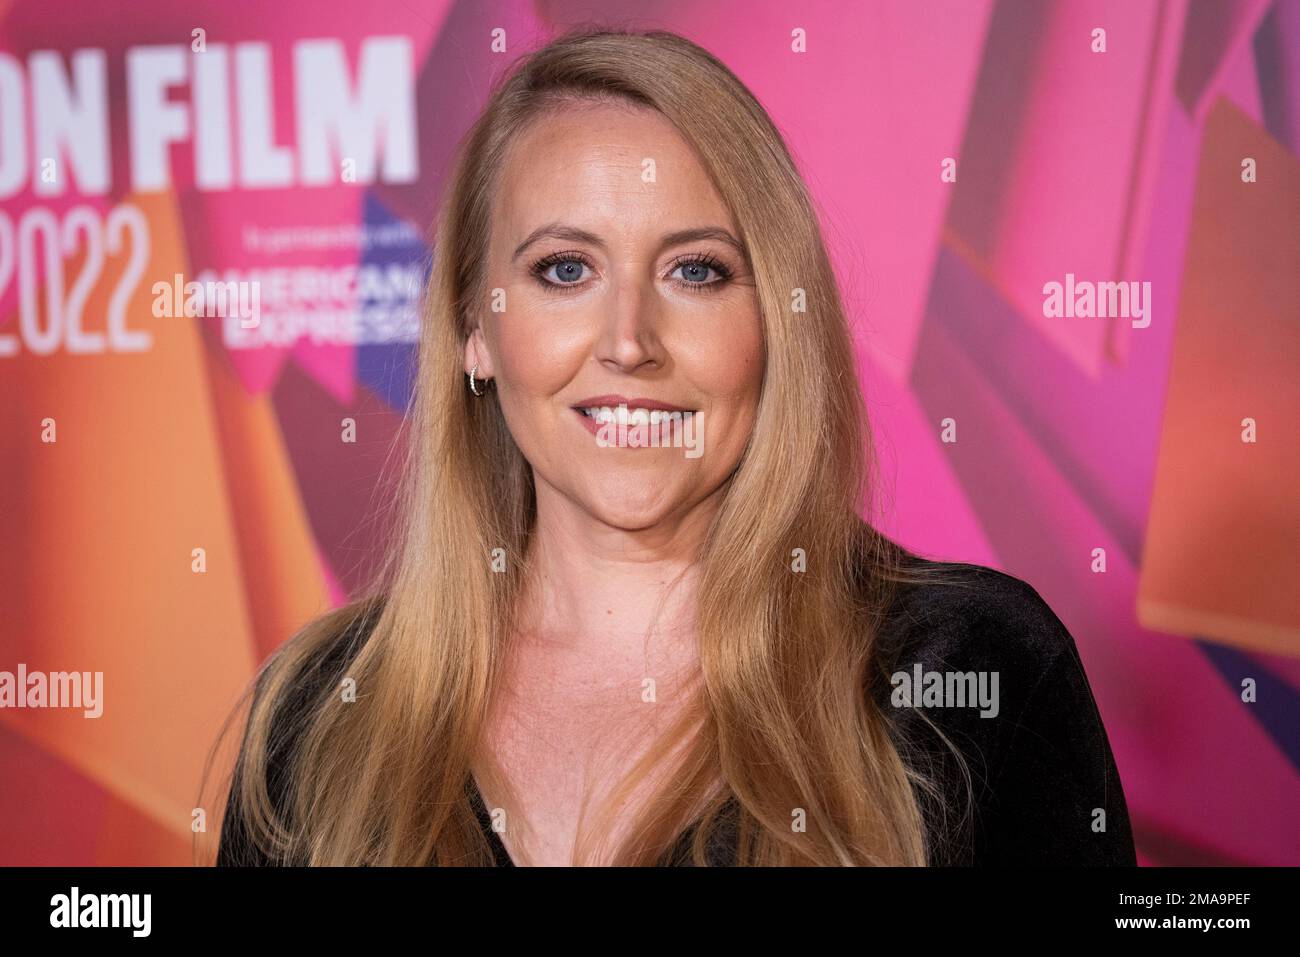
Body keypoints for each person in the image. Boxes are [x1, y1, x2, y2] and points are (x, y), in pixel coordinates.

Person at [212, 27, 1136, 867]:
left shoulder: (968, 670)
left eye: (696, 271)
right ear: (475, 330)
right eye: (564, 271)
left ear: (776, 318)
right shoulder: (322, 718)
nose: (628, 340)